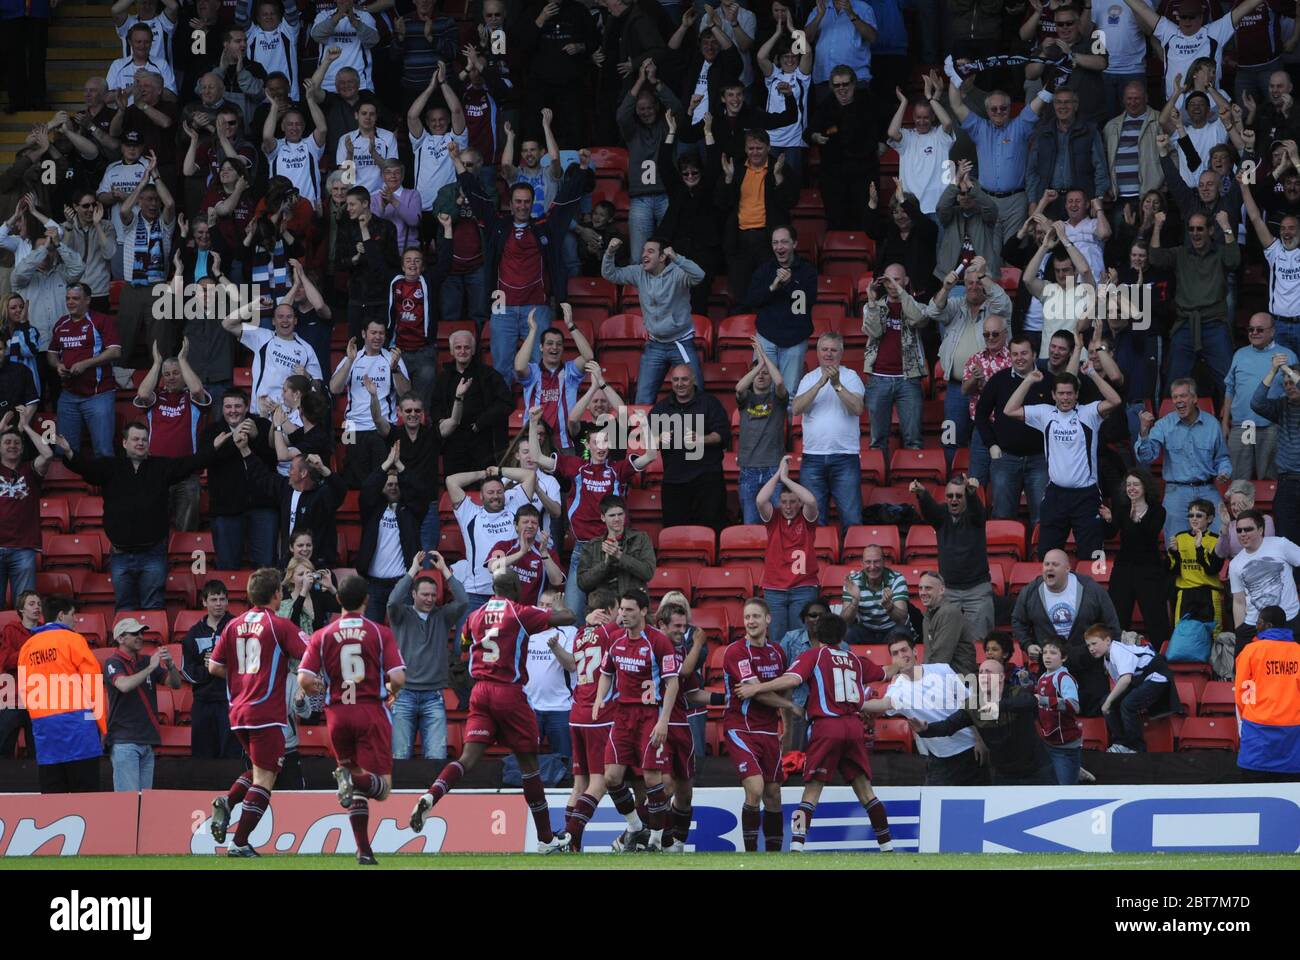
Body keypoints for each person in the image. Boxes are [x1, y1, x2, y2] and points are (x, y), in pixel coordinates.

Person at [409, 568, 576, 852]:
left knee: (467, 757)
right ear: (517, 589)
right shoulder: (520, 611)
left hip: (480, 691)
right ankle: (546, 839)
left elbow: (463, 645)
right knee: (529, 766)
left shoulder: (475, 616)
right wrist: (557, 606)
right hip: (508, 692)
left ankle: (432, 794)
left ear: (493, 589)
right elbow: (568, 618)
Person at [736, 613, 894, 852]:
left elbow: (791, 679)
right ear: (842, 636)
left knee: (812, 790)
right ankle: (887, 846)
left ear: (816, 635)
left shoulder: (815, 654)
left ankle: (797, 845)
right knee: (866, 791)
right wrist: (906, 668)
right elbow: (885, 673)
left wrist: (758, 687)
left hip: (827, 726)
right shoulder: (855, 659)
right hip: (853, 726)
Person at [452, 141, 591, 387]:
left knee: (541, 368)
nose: (522, 206)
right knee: (502, 369)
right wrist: (457, 163)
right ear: (511, 202)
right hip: (502, 307)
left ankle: (540, 418)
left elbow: (565, 201)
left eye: (527, 201)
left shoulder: (544, 227)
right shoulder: (498, 225)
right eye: (518, 201)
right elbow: (478, 198)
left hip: (536, 308)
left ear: (532, 202)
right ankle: (502, 419)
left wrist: (581, 168)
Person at [298, 574, 405, 866]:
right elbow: (398, 677)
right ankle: (350, 779)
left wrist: (324, 689)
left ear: (338, 600)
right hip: (370, 710)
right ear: (367, 600)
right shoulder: (379, 632)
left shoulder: (323, 634)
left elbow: (305, 679)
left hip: (338, 714)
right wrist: (390, 691)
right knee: (380, 789)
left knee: (355, 785)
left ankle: (364, 850)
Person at [58, 422, 223, 610]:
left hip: (153, 553)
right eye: (135, 439)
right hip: (120, 553)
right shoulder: (110, 467)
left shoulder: (161, 466)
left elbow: (190, 463)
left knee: (153, 607)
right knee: (124, 608)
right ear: (124, 442)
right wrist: (69, 452)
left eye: (144, 439)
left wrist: (213, 447)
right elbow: (86, 467)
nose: (140, 443)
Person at [207, 568, 310, 856]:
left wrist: (243, 675)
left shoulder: (232, 625)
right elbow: (309, 651)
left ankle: (228, 802)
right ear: (277, 594)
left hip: (238, 712)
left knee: (258, 771)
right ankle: (239, 842)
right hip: (266, 711)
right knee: (266, 779)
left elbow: (213, 667)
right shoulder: (279, 625)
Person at [533, 408, 658, 619]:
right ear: (587, 445)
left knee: (613, 613)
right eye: (596, 442)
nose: (601, 447)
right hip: (582, 549)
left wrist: (644, 425)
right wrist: (531, 422)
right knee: (572, 613)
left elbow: (651, 456)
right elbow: (536, 456)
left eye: (605, 442)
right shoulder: (576, 466)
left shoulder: (617, 470)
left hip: (611, 548)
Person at [1004, 366, 1123, 562]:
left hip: (1086, 495)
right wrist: (1029, 380)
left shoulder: (1089, 413)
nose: (1065, 398)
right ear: (1053, 395)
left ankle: (1095, 591)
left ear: (1077, 395)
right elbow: (1009, 410)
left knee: (1092, 555)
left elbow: (1115, 400)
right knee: (1047, 555)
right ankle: (1051, 591)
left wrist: (1092, 373)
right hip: (1055, 495)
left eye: (1069, 393)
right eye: (1061, 393)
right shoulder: (1045, 413)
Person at [924, 256, 1013, 469]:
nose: (974, 286)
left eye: (978, 282)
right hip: (957, 388)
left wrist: (983, 274)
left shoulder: (997, 309)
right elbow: (932, 311)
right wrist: (945, 288)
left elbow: (1003, 301)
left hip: (991, 390)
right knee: (950, 436)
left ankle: (983, 487)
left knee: (986, 439)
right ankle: (951, 481)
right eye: (969, 282)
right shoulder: (956, 305)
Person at [721, 597, 795, 852]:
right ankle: (751, 855)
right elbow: (753, 691)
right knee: (755, 786)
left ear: (768, 619)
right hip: (740, 726)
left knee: (774, 793)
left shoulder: (777, 652)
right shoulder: (736, 651)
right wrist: (791, 707)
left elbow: (782, 689)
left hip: (768, 730)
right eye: (747, 617)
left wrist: (785, 725)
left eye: (755, 616)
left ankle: (774, 857)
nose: (750, 622)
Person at [864, 633, 987, 786]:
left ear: (915, 652)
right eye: (895, 653)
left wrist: (980, 740)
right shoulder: (897, 688)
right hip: (939, 759)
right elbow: (883, 704)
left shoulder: (942, 670)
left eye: (904, 650)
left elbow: (969, 704)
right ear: (892, 660)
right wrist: (856, 703)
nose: (902, 655)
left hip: (970, 748)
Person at [909, 657, 1055, 784]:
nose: (983, 675)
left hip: (1037, 770)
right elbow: (949, 726)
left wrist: (998, 706)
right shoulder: (975, 704)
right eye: (981, 672)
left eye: (989, 672)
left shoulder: (1016, 692)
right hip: (1004, 775)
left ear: (1001, 677)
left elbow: (1029, 702)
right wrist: (926, 730)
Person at [1012, 548, 1123, 714]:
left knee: (1093, 714)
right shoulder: (1031, 591)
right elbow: (1017, 621)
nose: (1049, 568)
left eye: (1055, 564)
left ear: (1067, 568)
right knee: (1052, 715)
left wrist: (1105, 655)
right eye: (1046, 564)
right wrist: (1027, 645)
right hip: (1050, 668)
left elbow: (1112, 626)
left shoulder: (1090, 588)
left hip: (1088, 666)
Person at [17, 595, 106, 793]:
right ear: (60, 616)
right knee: (87, 801)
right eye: (73, 615)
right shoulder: (73, 640)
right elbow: (93, 685)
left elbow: (24, 690)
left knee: (53, 804)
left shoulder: (27, 647)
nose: (75, 620)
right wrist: (102, 727)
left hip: (45, 733)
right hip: (79, 730)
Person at [602, 236, 707, 403]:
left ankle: (697, 429)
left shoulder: (678, 274)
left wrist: (677, 258)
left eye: (650, 251)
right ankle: (644, 430)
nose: (644, 255)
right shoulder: (638, 272)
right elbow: (610, 274)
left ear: (663, 257)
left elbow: (699, 275)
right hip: (655, 345)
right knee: (642, 400)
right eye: (644, 251)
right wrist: (610, 252)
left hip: (681, 343)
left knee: (696, 393)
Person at [387, 550, 465, 761]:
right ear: (413, 594)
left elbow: (464, 601)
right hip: (404, 695)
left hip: (434, 695)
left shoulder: (442, 616)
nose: (430, 599)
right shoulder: (401, 615)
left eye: (433, 594)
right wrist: (413, 570)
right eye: (425, 594)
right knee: (400, 757)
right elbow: (392, 601)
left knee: (437, 758)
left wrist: (445, 572)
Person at [1148, 209, 1239, 387]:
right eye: (1191, 229)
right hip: (1186, 325)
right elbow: (1156, 258)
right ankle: (1173, 415)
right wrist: (1157, 227)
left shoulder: (1220, 253)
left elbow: (1234, 260)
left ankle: (1229, 415)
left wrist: (1226, 226)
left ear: (1210, 231)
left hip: (1214, 325)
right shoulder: (1181, 253)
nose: (1195, 234)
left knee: (1229, 382)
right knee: (1175, 380)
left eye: (1200, 229)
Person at [234, 433, 347, 568]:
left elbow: (340, 491)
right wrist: (244, 449)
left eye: (292, 468)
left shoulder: (322, 494)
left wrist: (322, 469)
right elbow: (262, 476)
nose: (288, 472)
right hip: (289, 564)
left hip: (317, 566)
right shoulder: (285, 489)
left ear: (303, 473)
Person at [562, 587, 620, 852]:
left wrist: (587, 622)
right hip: (601, 714)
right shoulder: (611, 632)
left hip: (577, 713)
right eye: (619, 610)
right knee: (599, 782)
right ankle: (571, 836)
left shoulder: (577, 635)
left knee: (579, 783)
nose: (622, 615)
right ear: (608, 612)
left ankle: (569, 842)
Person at [133, 340, 210, 532]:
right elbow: (142, 392)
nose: (171, 377)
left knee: (186, 528)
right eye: (167, 375)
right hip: (157, 471)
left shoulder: (191, 398)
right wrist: (157, 364)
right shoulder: (156, 397)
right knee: (155, 525)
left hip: (187, 473)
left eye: (176, 373)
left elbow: (197, 389)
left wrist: (183, 360)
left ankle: (182, 561)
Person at [974, 336, 1051, 525]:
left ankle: (1040, 555)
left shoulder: (1049, 381)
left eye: (1024, 353)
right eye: (1015, 354)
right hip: (1005, 460)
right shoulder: (998, 380)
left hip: (1040, 460)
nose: (1019, 358)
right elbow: (981, 415)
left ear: (1034, 355)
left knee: (1043, 518)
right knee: (1002, 516)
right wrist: (991, 444)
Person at [792, 332, 865, 528]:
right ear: (817, 352)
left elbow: (858, 408)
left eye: (833, 350)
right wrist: (819, 384)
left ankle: (854, 558)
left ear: (841, 353)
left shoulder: (850, 377)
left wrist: (837, 385)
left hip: (845, 457)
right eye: (824, 349)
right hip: (813, 457)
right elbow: (797, 408)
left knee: (851, 519)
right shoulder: (809, 378)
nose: (828, 354)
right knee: (813, 520)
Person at [718, 129, 799, 303]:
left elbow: (790, 202)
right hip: (739, 241)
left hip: (768, 241)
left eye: (759, 148)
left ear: (768, 147)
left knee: (770, 293)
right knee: (740, 296)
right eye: (751, 148)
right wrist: (728, 180)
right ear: (745, 149)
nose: (755, 152)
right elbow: (722, 204)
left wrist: (778, 179)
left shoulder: (781, 168)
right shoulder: (736, 168)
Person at [911, 476, 996, 640]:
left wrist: (972, 494)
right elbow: (930, 511)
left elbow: (978, 512)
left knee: (980, 642)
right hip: (948, 589)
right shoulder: (942, 515)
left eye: (959, 496)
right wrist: (922, 494)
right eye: (950, 496)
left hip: (977, 589)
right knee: (945, 640)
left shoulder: (974, 516)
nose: (954, 500)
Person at [103, 617, 181, 791]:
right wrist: (151, 668)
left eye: (141, 632)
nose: (140, 636)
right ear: (121, 638)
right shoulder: (113, 662)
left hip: (146, 740)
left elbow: (175, 684)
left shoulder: (145, 661)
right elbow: (124, 685)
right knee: (128, 803)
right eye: (134, 633)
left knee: (143, 803)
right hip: (125, 741)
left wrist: (171, 665)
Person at [330, 322, 412, 488]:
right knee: (352, 478)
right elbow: (334, 388)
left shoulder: (392, 359)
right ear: (363, 334)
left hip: (383, 427)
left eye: (381, 333)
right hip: (351, 427)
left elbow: (406, 394)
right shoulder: (352, 357)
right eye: (373, 332)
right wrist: (349, 362)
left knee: (380, 480)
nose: (377, 337)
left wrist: (395, 370)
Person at [650, 364, 730, 530]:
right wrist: (659, 438)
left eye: (685, 379)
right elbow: (646, 439)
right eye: (676, 380)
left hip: (708, 481)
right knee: (675, 532)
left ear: (693, 379)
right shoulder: (661, 408)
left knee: (712, 530)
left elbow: (723, 435)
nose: (680, 384)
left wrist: (700, 439)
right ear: (671, 382)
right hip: (674, 482)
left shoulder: (710, 403)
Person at [48, 283, 121, 458]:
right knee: (64, 451)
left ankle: (106, 486)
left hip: (99, 393)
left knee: (103, 451)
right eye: (68, 298)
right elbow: (51, 354)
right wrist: (58, 365)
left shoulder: (101, 320)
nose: (70, 302)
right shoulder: (61, 323)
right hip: (69, 394)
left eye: (75, 298)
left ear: (87, 300)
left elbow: (115, 351)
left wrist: (85, 364)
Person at [862, 265, 928, 458]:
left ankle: (913, 484)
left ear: (906, 281)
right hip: (878, 378)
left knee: (913, 439)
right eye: (887, 280)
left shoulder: (917, 306)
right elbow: (874, 332)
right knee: (877, 440)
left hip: (909, 379)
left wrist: (901, 293)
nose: (891, 285)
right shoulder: (872, 306)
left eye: (896, 280)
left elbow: (918, 319)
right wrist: (872, 302)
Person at [1101, 470, 1172, 648]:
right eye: (1129, 485)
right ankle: (1114, 655)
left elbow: (1148, 536)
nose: (1131, 488)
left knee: (1155, 616)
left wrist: (1135, 520)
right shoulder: (1122, 508)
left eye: (1136, 484)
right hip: (1124, 567)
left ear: (1145, 487)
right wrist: (1108, 520)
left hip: (1149, 569)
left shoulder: (1158, 510)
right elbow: (1110, 534)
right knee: (1117, 615)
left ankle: (1160, 658)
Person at [744, 224, 817, 397]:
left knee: (789, 393)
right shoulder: (764, 270)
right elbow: (752, 300)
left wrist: (791, 283)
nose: (779, 247)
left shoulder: (807, 271)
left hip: (795, 341)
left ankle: (788, 425)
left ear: (794, 244)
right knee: (761, 391)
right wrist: (773, 286)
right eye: (775, 243)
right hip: (766, 339)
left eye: (784, 242)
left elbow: (806, 303)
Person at [757, 455, 821, 649]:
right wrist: (778, 474)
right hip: (775, 589)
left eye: (793, 502)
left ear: (798, 503)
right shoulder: (774, 519)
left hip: (803, 587)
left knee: (803, 640)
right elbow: (760, 500)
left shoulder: (806, 519)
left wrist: (787, 480)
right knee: (777, 640)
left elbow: (811, 500)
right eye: (784, 502)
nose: (788, 506)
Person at [1223, 314, 1297, 482]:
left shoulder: (1288, 355)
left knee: (1270, 480)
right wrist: (1224, 422)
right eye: (1251, 329)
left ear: (1272, 332)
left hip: (1272, 427)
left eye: (1260, 329)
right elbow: (1230, 389)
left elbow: (1295, 394)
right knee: (1238, 482)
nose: (1254, 333)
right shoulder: (1239, 354)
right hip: (1241, 426)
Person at [1086, 623, 1180, 753]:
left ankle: (1136, 747)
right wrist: (1108, 702)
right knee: (1108, 702)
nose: (1091, 648)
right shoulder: (1106, 660)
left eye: (1094, 643)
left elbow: (1125, 680)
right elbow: (1121, 683)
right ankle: (1121, 742)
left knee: (1127, 704)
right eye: (1088, 645)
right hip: (1141, 679)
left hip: (1157, 676)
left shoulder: (1117, 650)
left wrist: (1108, 703)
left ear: (1107, 640)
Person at [515, 304, 595, 453]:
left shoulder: (570, 371)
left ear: (563, 348)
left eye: (559, 344)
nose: (554, 348)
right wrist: (533, 331)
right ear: (541, 347)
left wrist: (570, 325)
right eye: (549, 344)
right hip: (535, 443)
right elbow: (519, 367)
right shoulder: (532, 372)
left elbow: (588, 356)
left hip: (565, 444)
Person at [434, 329, 512, 475]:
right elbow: (435, 407)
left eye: (467, 347)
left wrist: (481, 422)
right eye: (458, 347)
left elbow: (506, 403)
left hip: (483, 440)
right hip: (453, 442)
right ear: (451, 351)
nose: (462, 351)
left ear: (474, 350)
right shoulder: (443, 378)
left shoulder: (489, 374)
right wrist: (443, 422)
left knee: (484, 486)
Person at [1234, 605, 1300, 779]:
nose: (1256, 625)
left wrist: (1250, 713)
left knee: (1255, 791)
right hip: (1293, 733)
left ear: (1268, 625)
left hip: (1258, 730)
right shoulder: (1298, 652)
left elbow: (1243, 690)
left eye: (1259, 622)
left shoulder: (1251, 651)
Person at [220, 298, 323, 407]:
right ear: (273, 321)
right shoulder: (261, 336)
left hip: (290, 417)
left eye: (289, 317)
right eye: (280, 316)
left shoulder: (306, 349)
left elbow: (318, 388)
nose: (285, 320)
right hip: (261, 412)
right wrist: (254, 304)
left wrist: (308, 377)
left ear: (295, 320)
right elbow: (227, 324)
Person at [180, 580, 239, 760]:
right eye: (214, 599)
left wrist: (220, 663)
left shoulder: (237, 626)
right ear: (204, 602)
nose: (219, 604)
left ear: (228, 602)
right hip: (203, 703)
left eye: (222, 599)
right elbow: (187, 670)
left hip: (230, 702)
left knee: (232, 755)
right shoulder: (194, 633)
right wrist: (208, 669)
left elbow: (248, 663)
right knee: (202, 756)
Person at [1229, 509, 1300, 653]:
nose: (1243, 534)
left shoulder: (1281, 545)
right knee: (1241, 668)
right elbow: (1238, 601)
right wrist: (1239, 630)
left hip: (1289, 619)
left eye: (1248, 529)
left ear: (1261, 529)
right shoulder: (1235, 563)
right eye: (1239, 530)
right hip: (1254, 623)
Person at [1248, 353, 1300, 542]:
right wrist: (1274, 370)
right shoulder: (1282, 406)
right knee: (1286, 540)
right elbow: (1256, 403)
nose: (1289, 385)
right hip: (1286, 483)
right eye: (1285, 383)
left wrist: (1286, 369)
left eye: (1292, 382)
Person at [523, 587, 578, 765]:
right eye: (541, 604)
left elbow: (571, 665)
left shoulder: (569, 632)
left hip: (561, 707)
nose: (544, 609)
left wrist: (555, 648)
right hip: (530, 707)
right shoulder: (526, 630)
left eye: (550, 606)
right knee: (526, 764)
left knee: (565, 763)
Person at [736, 344, 788, 524]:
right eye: (758, 373)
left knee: (776, 523)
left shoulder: (778, 399)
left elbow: (780, 382)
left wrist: (764, 357)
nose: (761, 376)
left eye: (766, 373)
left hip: (773, 468)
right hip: (748, 469)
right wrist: (758, 366)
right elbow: (740, 387)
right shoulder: (746, 399)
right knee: (750, 523)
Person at [576, 494, 657, 600]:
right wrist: (605, 564)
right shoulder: (592, 546)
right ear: (603, 517)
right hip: (603, 606)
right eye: (612, 515)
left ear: (625, 515)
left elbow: (648, 573)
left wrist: (620, 556)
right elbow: (583, 583)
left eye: (620, 514)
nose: (617, 519)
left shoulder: (641, 538)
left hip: (633, 603)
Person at [486, 505, 565, 607]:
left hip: (532, 613)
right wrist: (521, 553)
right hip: (504, 610)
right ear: (516, 525)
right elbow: (493, 567)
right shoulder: (504, 546)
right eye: (525, 522)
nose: (530, 526)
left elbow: (557, 581)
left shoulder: (547, 552)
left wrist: (544, 554)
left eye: (534, 523)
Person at [1035, 637, 1083, 785]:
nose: (1047, 656)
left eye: (1053, 653)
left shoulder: (1064, 678)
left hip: (1065, 746)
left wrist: (1045, 700)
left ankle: (1075, 769)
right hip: (1048, 741)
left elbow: (1074, 705)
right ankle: (1076, 769)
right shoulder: (1042, 677)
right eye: (1045, 653)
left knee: (1066, 790)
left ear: (1064, 657)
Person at [842, 544, 912, 644]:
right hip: (865, 630)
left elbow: (902, 620)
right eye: (868, 562)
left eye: (877, 561)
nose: (872, 566)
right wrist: (854, 601)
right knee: (846, 632)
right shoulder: (853, 582)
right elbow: (845, 622)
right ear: (862, 563)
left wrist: (890, 607)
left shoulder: (896, 579)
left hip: (891, 630)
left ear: (884, 562)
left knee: (902, 632)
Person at [917, 571, 979, 675]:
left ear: (941, 590)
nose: (922, 593)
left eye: (928, 588)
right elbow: (929, 656)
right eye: (920, 588)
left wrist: (920, 677)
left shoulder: (949, 613)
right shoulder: (928, 615)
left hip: (959, 680)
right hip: (940, 677)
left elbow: (940, 658)